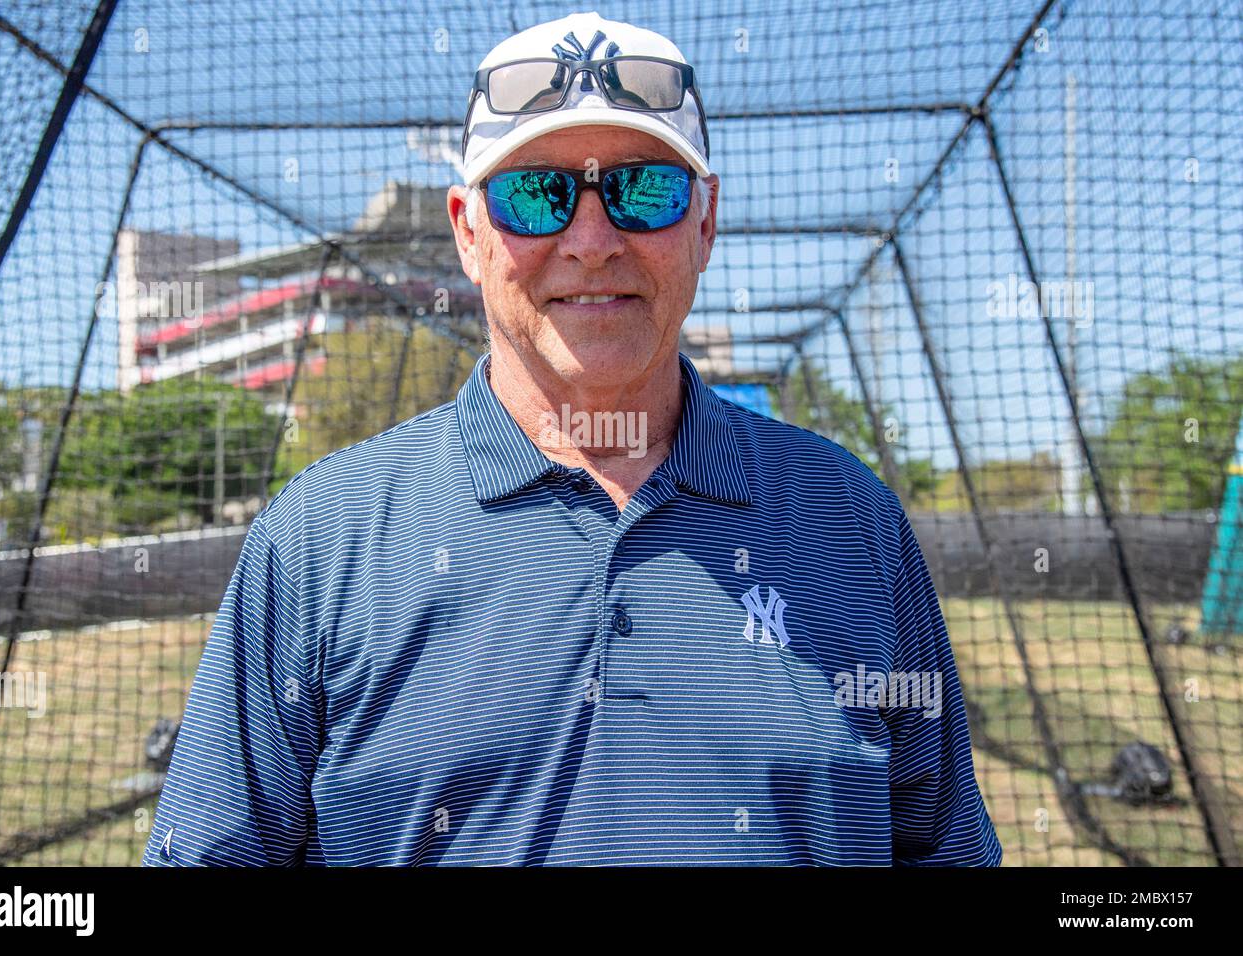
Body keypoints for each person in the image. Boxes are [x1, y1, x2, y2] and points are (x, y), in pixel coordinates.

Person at [142, 10, 1001, 866]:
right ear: (468, 233)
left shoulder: (853, 521)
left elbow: (943, 851)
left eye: (644, 189)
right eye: (534, 194)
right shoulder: (318, 539)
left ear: (705, 223)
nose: (591, 242)